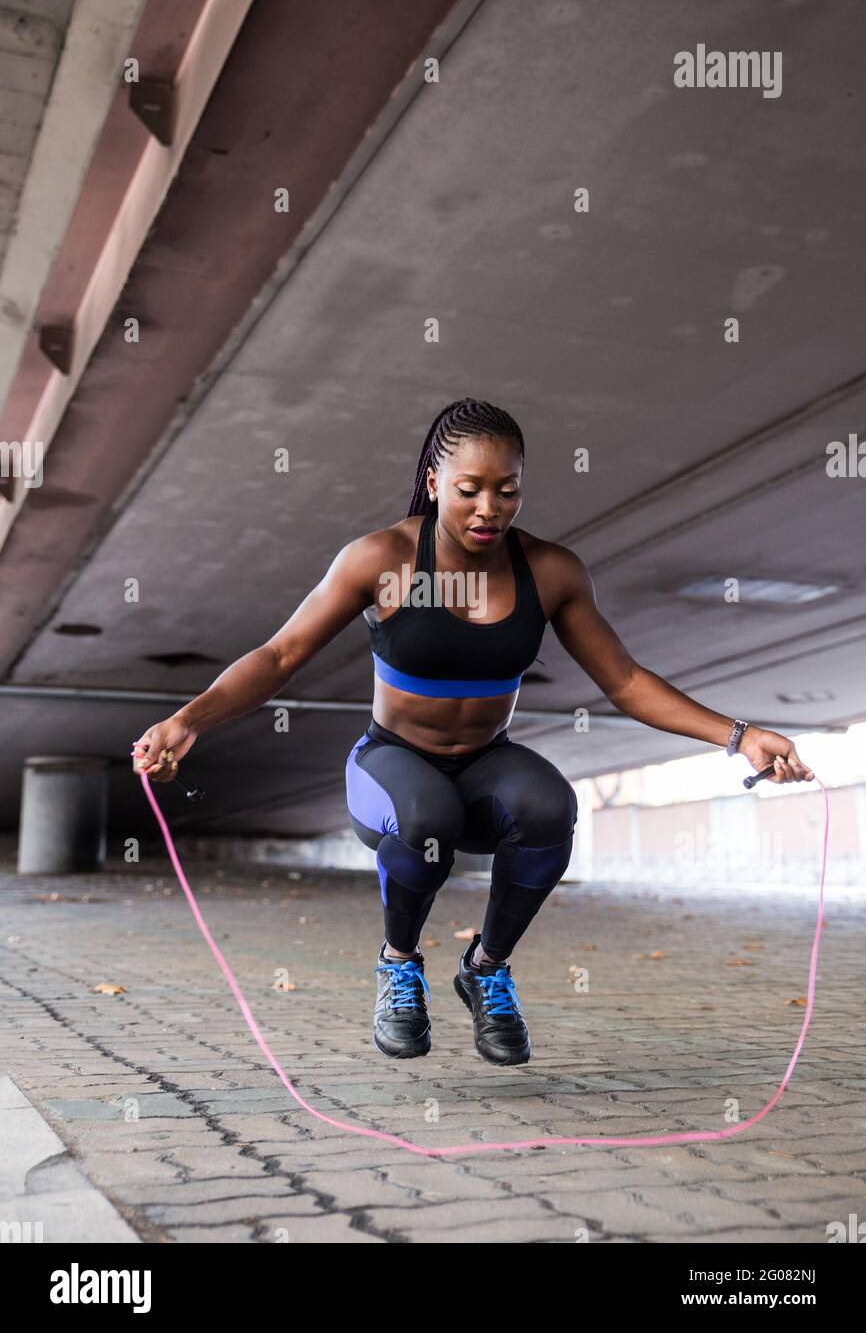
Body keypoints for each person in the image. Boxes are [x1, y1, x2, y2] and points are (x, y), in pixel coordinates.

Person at [131, 398, 815, 1067]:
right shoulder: (381, 560)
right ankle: (399, 965)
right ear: (433, 482)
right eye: (469, 490)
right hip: (391, 767)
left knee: (550, 808)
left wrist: (740, 736)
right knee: (430, 818)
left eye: (507, 490)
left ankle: (486, 969)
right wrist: (188, 719)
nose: (489, 508)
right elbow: (279, 657)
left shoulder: (550, 572)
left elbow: (625, 682)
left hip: (486, 763)